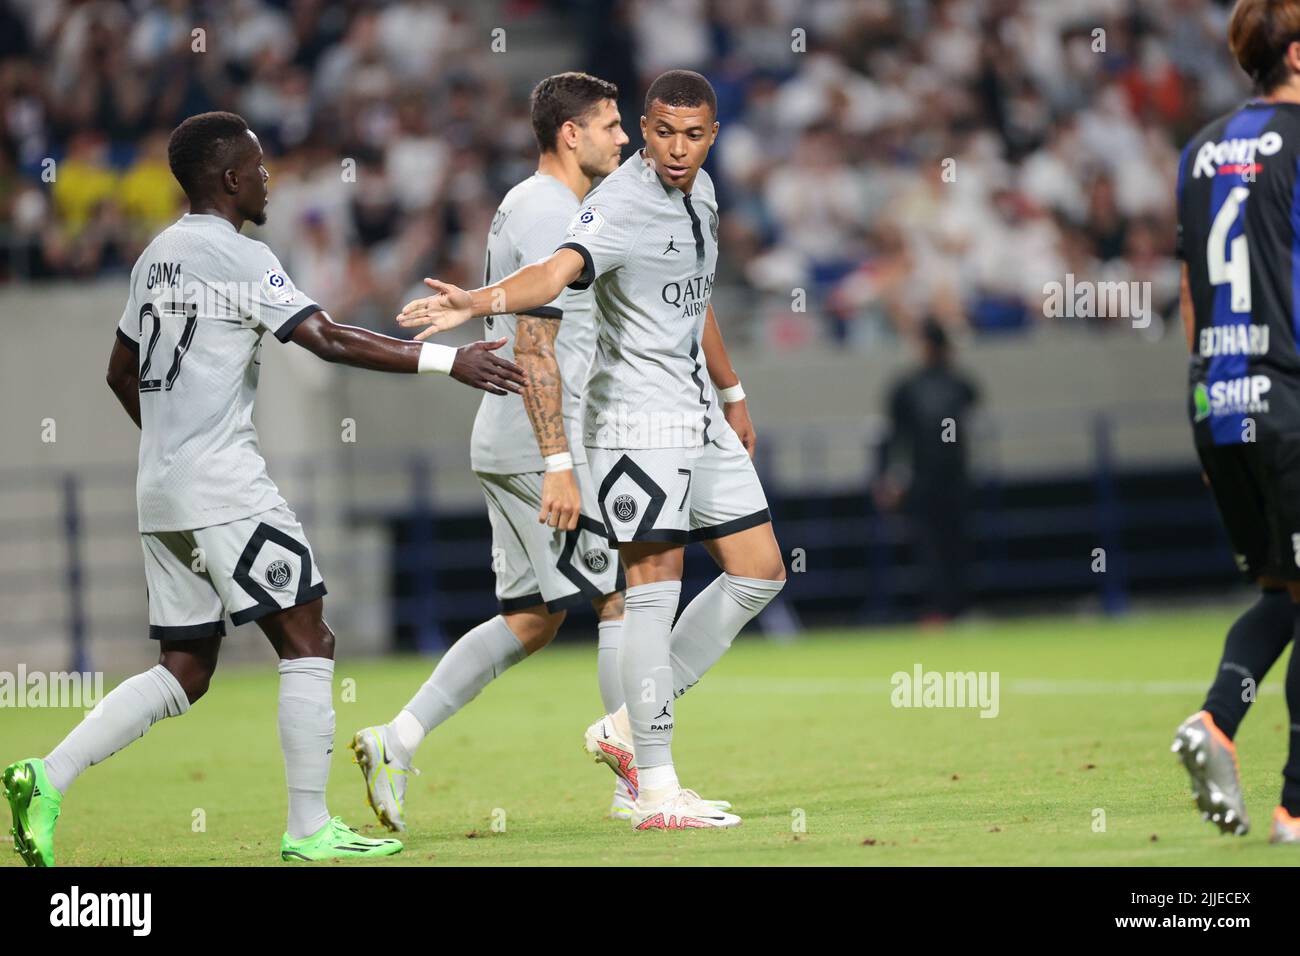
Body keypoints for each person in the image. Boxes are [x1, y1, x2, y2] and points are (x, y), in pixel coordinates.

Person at [0, 111, 525, 867]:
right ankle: (310, 829)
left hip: (162, 489)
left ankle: (46, 776)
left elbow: (120, 371)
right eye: (257, 166)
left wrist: (175, 445)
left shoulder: (155, 257)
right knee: (309, 637)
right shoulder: (237, 254)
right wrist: (448, 362)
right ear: (229, 178)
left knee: (185, 669)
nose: (267, 176)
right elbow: (326, 336)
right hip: (223, 483)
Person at [397, 70, 786, 831]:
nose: (677, 148)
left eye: (694, 134)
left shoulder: (701, 195)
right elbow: (556, 273)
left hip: (694, 415)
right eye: (662, 132)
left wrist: (732, 393)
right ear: (645, 128)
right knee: (647, 589)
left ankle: (623, 726)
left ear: (713, 134)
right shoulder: (615, 203)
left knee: (760, 569)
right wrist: (478, 302)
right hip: (634, 421)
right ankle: (657, 788)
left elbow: (693, 293)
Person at [1172, 0, 1300, 845]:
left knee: (1282, 591)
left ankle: (1219, 723)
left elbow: (1190, 293)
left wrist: (1203, 396)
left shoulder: (1199, 150)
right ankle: (1295, 806)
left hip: (1216, 398)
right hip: (1292, 395)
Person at [874, 318, 980, 623]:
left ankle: (957, 608)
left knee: (954, 544)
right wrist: (890, 477)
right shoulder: (910, 387)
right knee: (931, 546)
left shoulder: (956, 383)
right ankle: (938, 609)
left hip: (952, 478)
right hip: (925, 480)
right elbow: (894, 437)